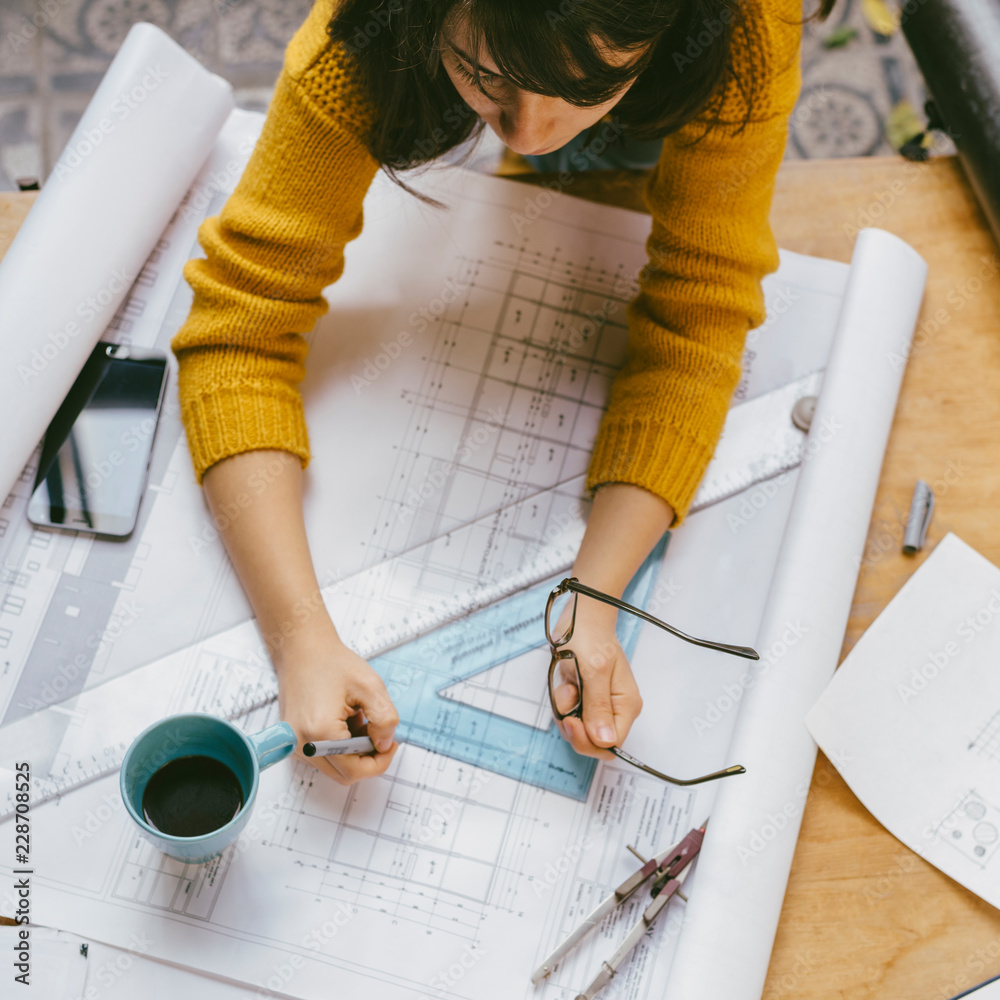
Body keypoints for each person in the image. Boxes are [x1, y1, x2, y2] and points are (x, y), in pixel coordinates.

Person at [171, 0, 834, 786]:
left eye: (588, 89)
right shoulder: (356, 45)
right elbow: (238, 325)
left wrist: (594, 600)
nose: (525, 132)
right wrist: (299, 639)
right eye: (486, 79)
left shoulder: (746, 30)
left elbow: (700, 315)